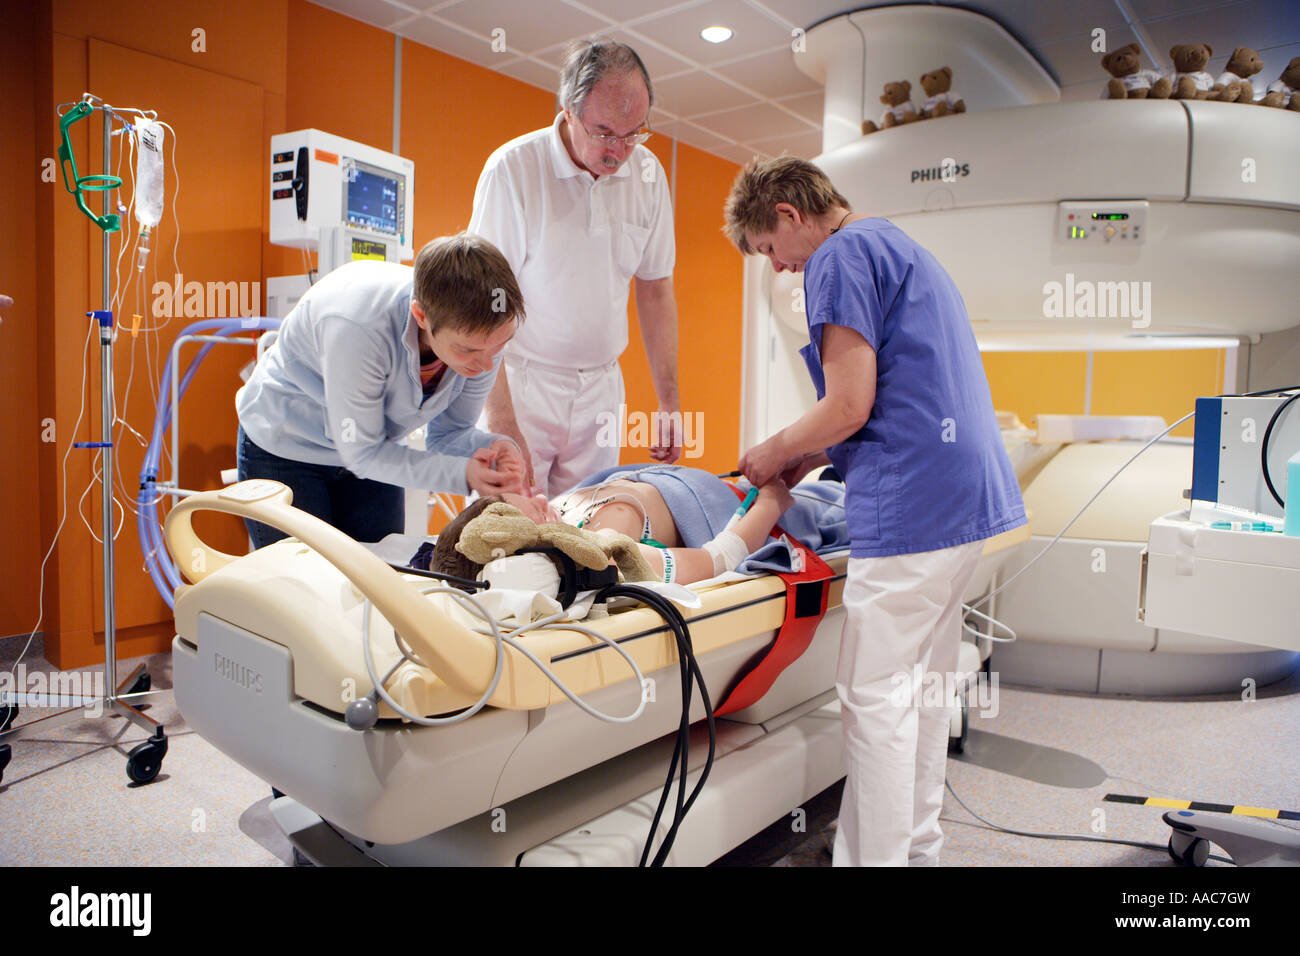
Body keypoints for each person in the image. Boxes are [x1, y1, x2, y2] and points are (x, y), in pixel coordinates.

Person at [724, 157, 1027, 867]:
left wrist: (772, 451)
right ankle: (917, 850)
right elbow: (893, 397)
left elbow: (848, 405)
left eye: (769, 250)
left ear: (790, 217)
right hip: (963, 501)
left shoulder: (838, 256)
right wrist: (813, 455)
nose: (778, 269)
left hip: (913, 504)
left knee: (876, 699)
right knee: (922, 692)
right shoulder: (902, 246)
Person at [468, 39, 682, 497]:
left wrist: (669, 401)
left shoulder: (647, 175)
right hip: (523, 380)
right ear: (568, 111)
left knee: (585, 533)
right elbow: (481, 304)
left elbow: (656, 287)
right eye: (605, 132)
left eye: (634, 133)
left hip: (601, 389)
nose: (620, 150)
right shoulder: (513, 170)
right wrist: (503, 422)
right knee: (512, 528)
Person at [235, 233, 528, 549]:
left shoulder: (483, 335)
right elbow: (362, 452)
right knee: (304, 583)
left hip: (373, 450)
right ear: (421, 316)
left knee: (381, 573)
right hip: (286, 446)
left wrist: (495, 448)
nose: (486, 365)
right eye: (468, 350)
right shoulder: (357, 326)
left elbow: (449, 435)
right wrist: (463, 475)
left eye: (500, 345)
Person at [433, 463, 853, 588]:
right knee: (839, 501)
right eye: (531, 509)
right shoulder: (604, 548)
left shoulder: (558, 510)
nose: (539, 499)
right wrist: (773, 500)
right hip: (759, 502)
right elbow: (721, 557)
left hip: (709, 481)